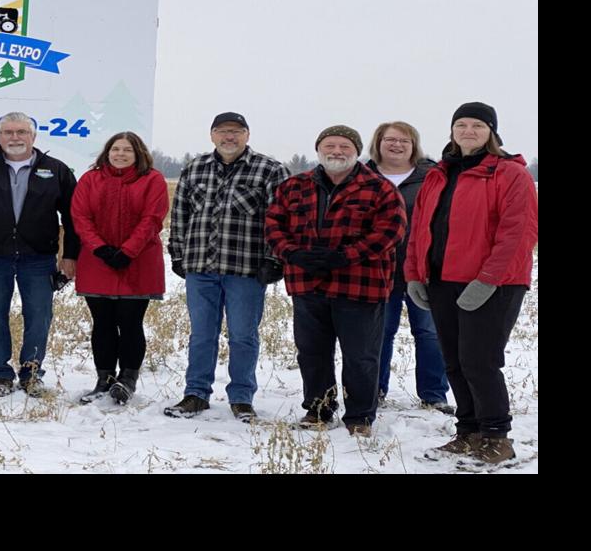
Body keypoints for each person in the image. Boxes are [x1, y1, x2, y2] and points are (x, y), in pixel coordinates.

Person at [403, 102, 539, 464]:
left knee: (479, 361)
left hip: (493, 284)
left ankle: (497, 436)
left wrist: (488, 280)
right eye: (461, 124)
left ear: (491, 132)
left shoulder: (509, 174)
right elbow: (419, 229)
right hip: (441, 280)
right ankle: (468, 431)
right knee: (454, 361)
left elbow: (518, 233)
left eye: (477, 125)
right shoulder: (438, 174)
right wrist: (414, 274)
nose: (468, 131)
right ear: (452, 131)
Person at [265, 124, 406, 436]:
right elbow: (274, 224)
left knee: (361, 356)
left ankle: (359, 417)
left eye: (345, 147)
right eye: (330, 146)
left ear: (357, 151)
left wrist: (346, 256)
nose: (337, 152)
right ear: (319, 150)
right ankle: (318, 410)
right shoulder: (294, 187)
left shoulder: (379, 188)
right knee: (312, 353)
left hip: (359, 285)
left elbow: (390, 231)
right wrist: (293, 253)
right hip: (307, 284)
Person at [163, 112, 288, 422]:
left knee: (243, 335)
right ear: (212, 135)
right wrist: (177, 253)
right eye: (222, 131)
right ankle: (196, 393)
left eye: (236, 131)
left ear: (247, 135)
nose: (229, 137)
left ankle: (242, 397)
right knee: (201, 334)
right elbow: (180, 214)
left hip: (245, 269)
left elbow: (281, 218)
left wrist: (274, 259)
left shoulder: (270, 170)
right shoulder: (195, 168)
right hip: (200, 267)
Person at [0, 111, 79, 397]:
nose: (15, 137)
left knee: (39, 316)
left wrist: (70, 255)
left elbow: (73, 216)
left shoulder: (56, 170)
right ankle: (0, 374)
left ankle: (31, 373)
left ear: (33, 137)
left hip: (38, 256)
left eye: (21, 132)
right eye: (8, 132)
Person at [69, 132, 167, 404]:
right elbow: (80, 217)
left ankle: (127, 379)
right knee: (102, 323)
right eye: (115, 149)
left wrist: (127, 251)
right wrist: (100, 248)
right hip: (97, 261)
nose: (120, 154)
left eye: (127, 150)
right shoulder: (90, 179)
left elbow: (152, 218)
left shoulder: (153, 180)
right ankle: (105, 380)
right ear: (107, 152)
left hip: (138, 261)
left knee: (131, 322)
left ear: (138, 154)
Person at [364, 121, 449, 412]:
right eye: (390, 140)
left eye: (404, 141)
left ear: (414, 146)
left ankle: (434, 394)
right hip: (377, 270)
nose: (397, 145)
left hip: (423, 269)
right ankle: (374, 390)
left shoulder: (432, 176)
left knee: (429, 333)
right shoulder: (363, 176)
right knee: (379, 333)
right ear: (378, 143)